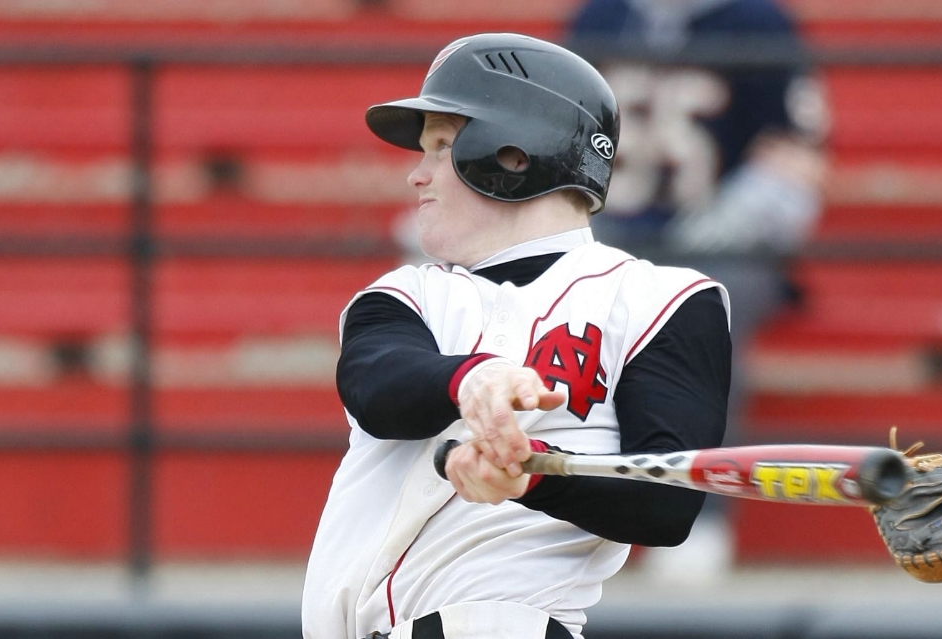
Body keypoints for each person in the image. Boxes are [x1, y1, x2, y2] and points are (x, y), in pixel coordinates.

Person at [301, 33, 731, 639]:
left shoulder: (662, 301)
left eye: (442, 146)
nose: (416, 177)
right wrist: (472, 378)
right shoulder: (410, 294)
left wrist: (528, 477)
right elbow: (375, 386)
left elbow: (664, 507)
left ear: (513, 155)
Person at [566, 0, 829, 578]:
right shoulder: (600, 17)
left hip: (725, 236)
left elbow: (793, 162)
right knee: (551, 297)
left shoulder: (760, 22)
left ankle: (695, 512)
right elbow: (559, 140)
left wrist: (715, 231)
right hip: (606, 227)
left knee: (707, 311)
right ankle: (558, 510)